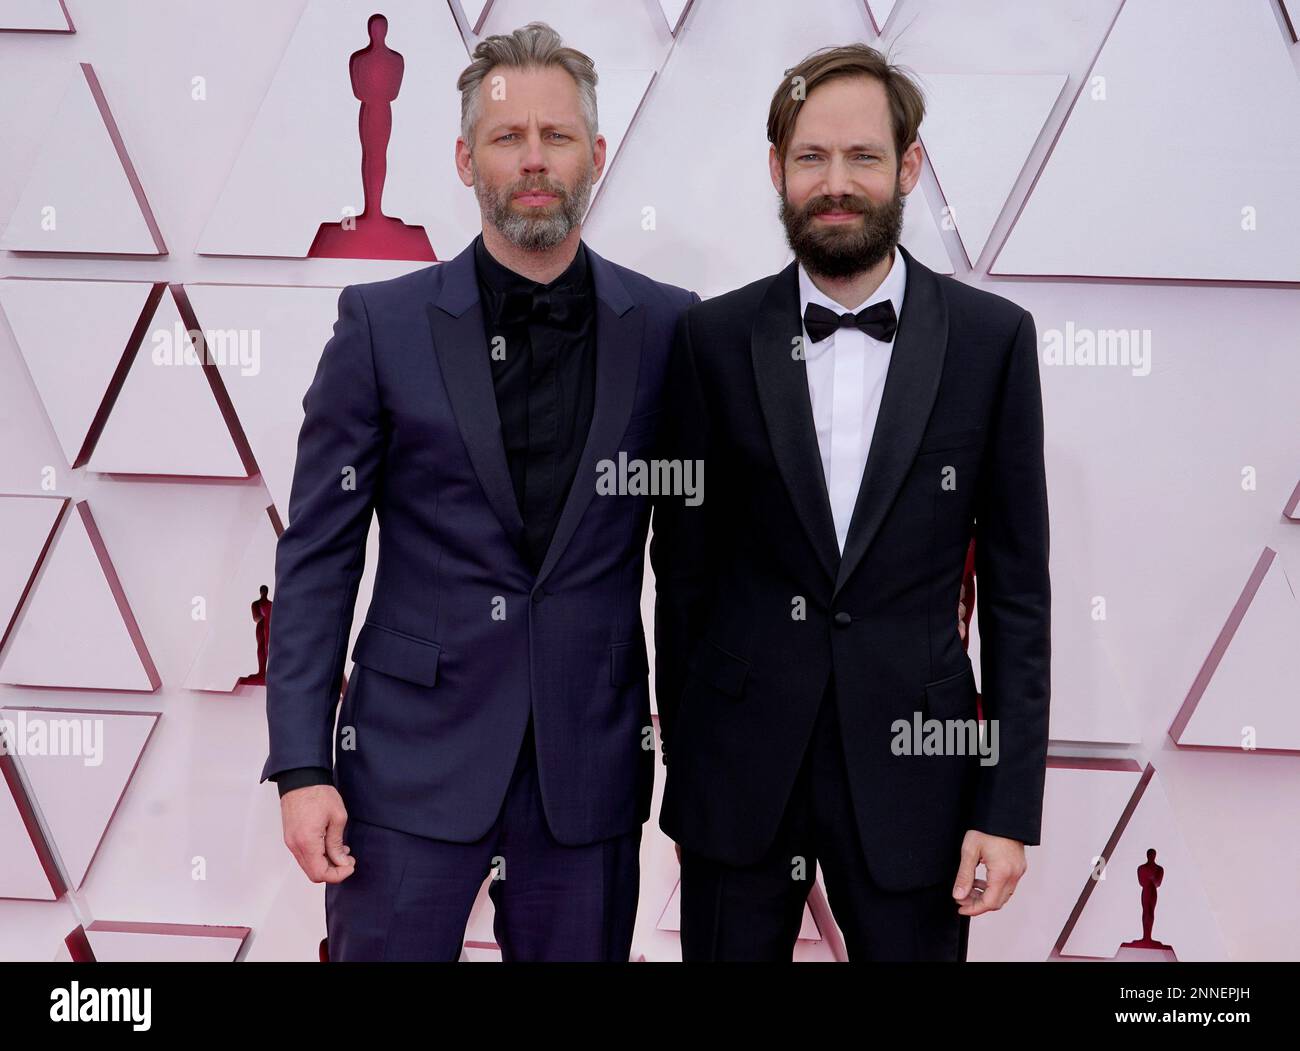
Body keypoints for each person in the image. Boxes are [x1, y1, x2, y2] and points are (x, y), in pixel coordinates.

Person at [261, 21, 695, 961]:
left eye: (557, 135)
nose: (533, 159)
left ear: (597, 153)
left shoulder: (668, 329)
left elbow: (701, 563)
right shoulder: (381, 325)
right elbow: (319, 554)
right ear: (466, 158)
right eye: (507, 137)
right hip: (405, 767)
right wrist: (301, 762)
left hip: (590, 771)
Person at [651, 43, 1051, 961]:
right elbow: (682, 572)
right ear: (778, 170)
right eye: (811, 158)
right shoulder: (710, 340)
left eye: (863, 156)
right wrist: (695, 754)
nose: (837, 183)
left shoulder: (992, 342)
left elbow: (1020, 594)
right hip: (738, 782)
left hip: (920, 779)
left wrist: (1007, 802)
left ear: (909, 165)